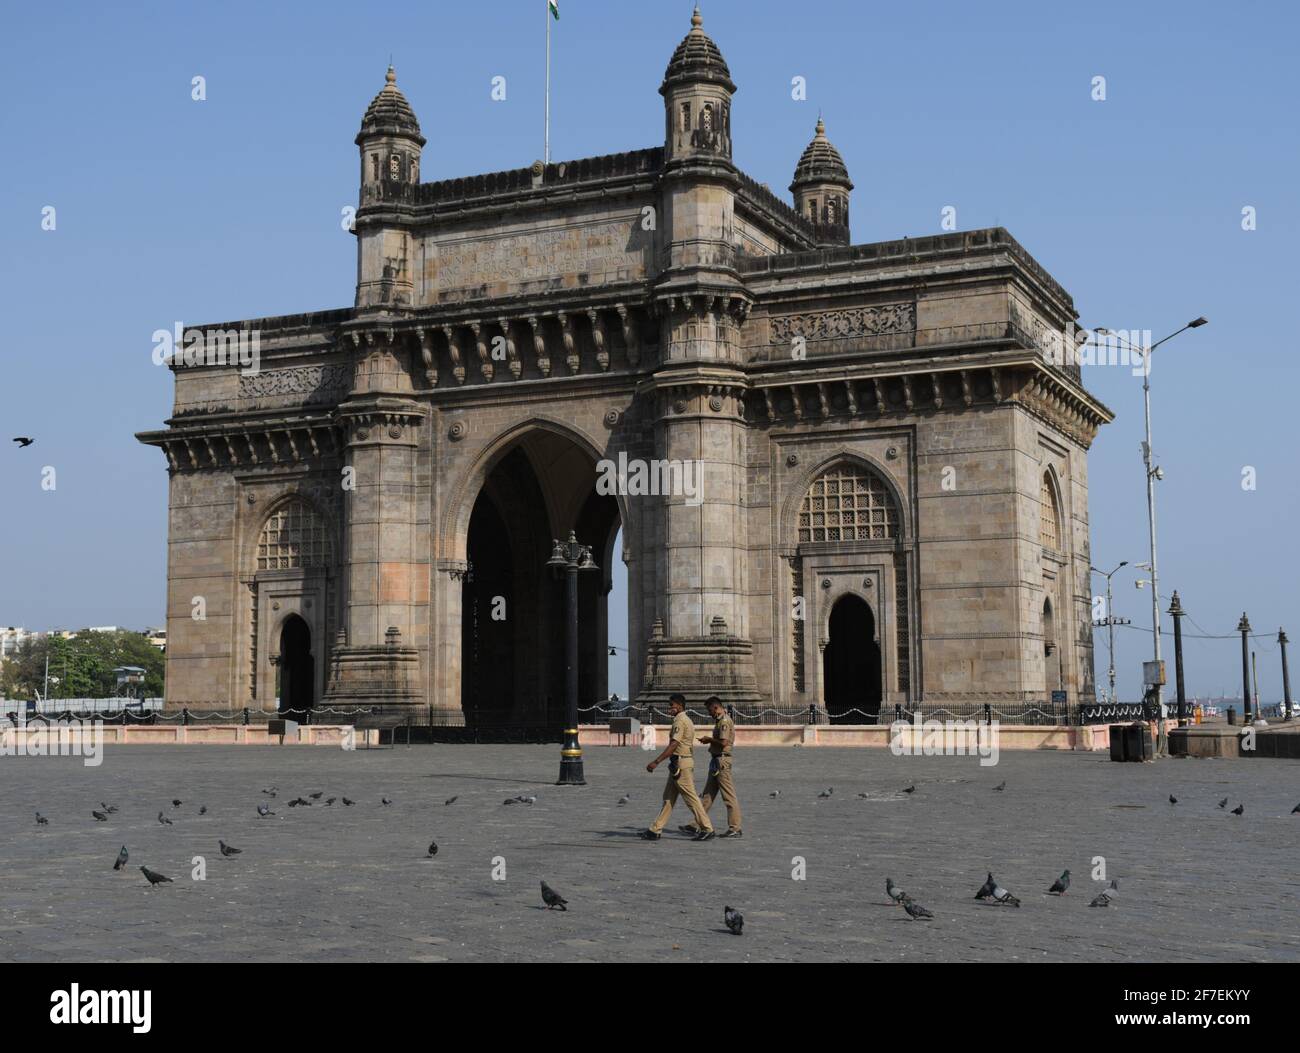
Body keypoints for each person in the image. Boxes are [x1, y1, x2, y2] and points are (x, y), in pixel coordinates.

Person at [640, 693, 714, 841]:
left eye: (672, 706)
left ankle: (707, 828)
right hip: (678, 763)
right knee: (668, 798)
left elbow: (674, 744)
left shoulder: (680, 722)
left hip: (681, 764)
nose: (670, 709)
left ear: (679, 706)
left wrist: (656, 761)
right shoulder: (686, 719)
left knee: (691, 798)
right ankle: (655, 829)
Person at [681, 696, 743, 838]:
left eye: (710, 710)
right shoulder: (720, 720)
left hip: (722, 762)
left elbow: (724, 743)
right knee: (707, 796)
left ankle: (735, 827)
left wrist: (709, 739)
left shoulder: (725, 722)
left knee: (729, 796)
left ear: (716, 707)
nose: (709, 713)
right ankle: (695, 824)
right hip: (716, 761)